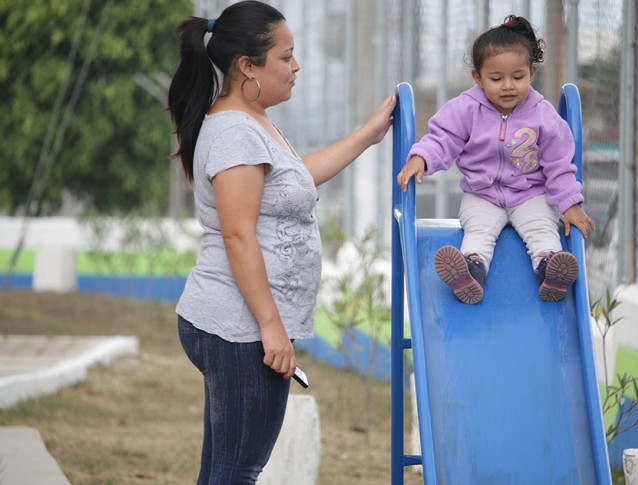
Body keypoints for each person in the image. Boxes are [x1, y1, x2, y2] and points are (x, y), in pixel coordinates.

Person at [167, 1, 396, 482]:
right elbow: (238, 234)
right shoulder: (235, 132)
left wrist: (368, 135)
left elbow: (294, 179)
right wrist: (271, 328)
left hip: (243, 323)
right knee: (238, 470)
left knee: (224, 469)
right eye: (286, 57)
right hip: (241, 328)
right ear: (247, 66)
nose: (297, 67)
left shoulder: (252, 121)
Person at [397, 14, 594, 305]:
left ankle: (551, 269)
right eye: (496, 78)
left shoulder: (544, 116)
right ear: (478, 78)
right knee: (478, 231)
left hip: (531, 194)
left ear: (532, 74)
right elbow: (443, 139)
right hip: (482, 195)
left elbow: (559, 165)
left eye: (518, 77)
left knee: (542, 227)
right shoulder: (466, 110)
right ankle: (471, 271)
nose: (508, 86)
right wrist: (421, 157)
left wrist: (570, 205)